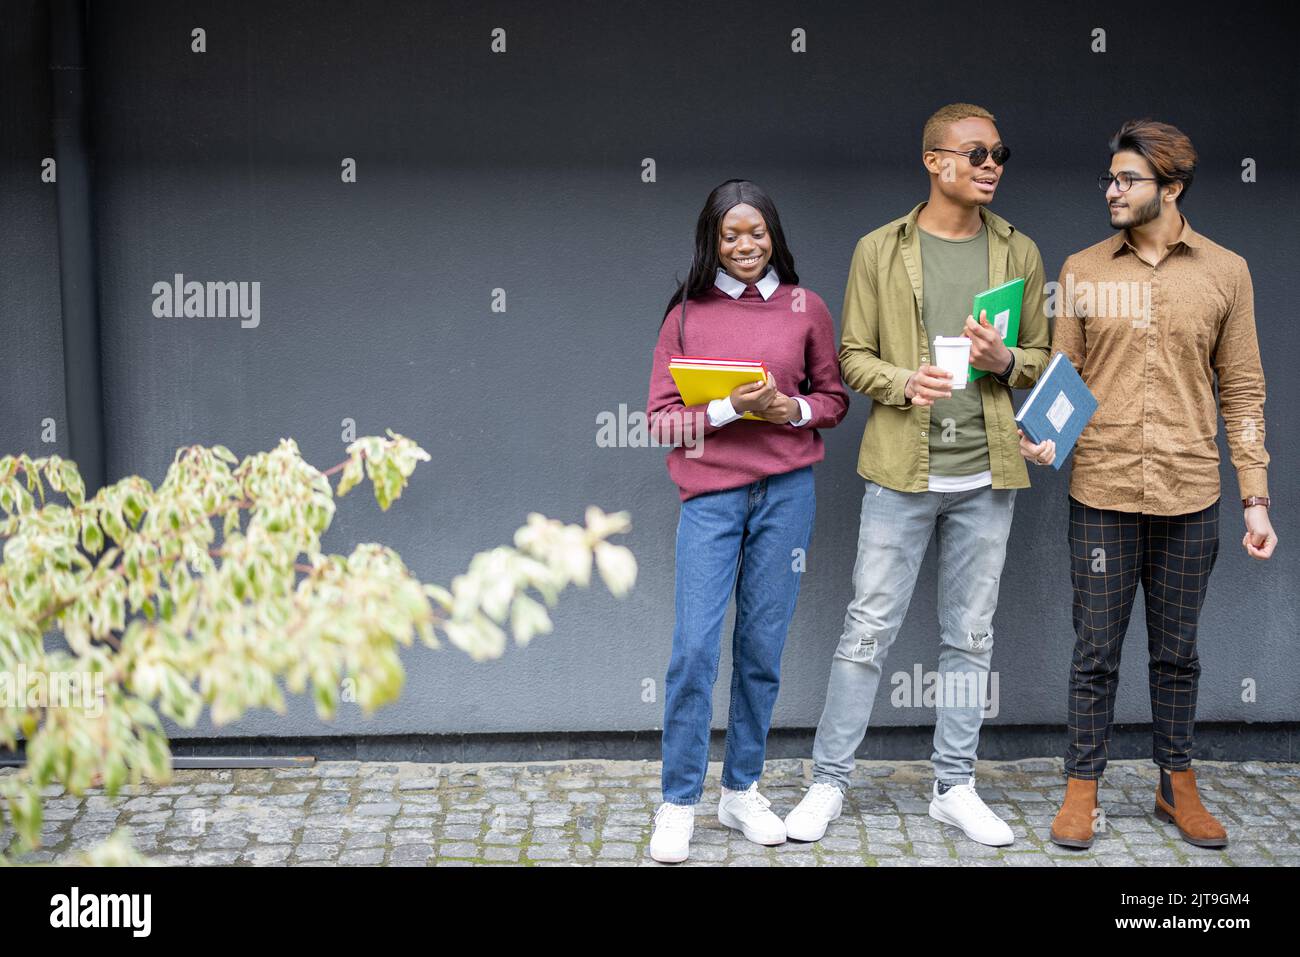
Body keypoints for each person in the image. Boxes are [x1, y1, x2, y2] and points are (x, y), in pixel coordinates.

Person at [784, 103, 1050, 847]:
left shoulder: (1018, 251)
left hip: (986, 474)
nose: (991, 163)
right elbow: (851, 357)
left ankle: (953, 784)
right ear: (934, 161)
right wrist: (905, 382)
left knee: (970, 634)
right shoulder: (880, 248)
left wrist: (1007, 363)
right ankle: (828, 783)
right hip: (903, 471)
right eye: (975, 152)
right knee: (867, 628)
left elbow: (1040, 357)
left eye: (1000, 152)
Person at [1020, 119, 1277, 850]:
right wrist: (1045, 437)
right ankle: (1082, 788)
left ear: (1171, 187)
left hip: (1191, 491)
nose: (1111, 189)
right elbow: (1064, 377)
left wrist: (1255, 496)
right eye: (1109, 178)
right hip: (1100, 490)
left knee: (1177, 652)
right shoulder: (1082, 269)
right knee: (1095, 648)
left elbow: (1246, 391)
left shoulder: (1227, 272)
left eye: (1126, 179)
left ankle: (1176, 786)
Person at [644, 179, 848, 863]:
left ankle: (742, 789)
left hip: (787, 494)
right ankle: (678, 800)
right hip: (711, 497)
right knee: (695, 649)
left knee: (762, 649)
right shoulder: (684, 315)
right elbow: (661, 420)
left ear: (773, 235)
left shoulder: (805, 307)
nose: (745, 245)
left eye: (755, 232)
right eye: (730, 234)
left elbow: (834, 398)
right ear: (712, 240)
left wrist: (792, 410)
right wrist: (732, 408)